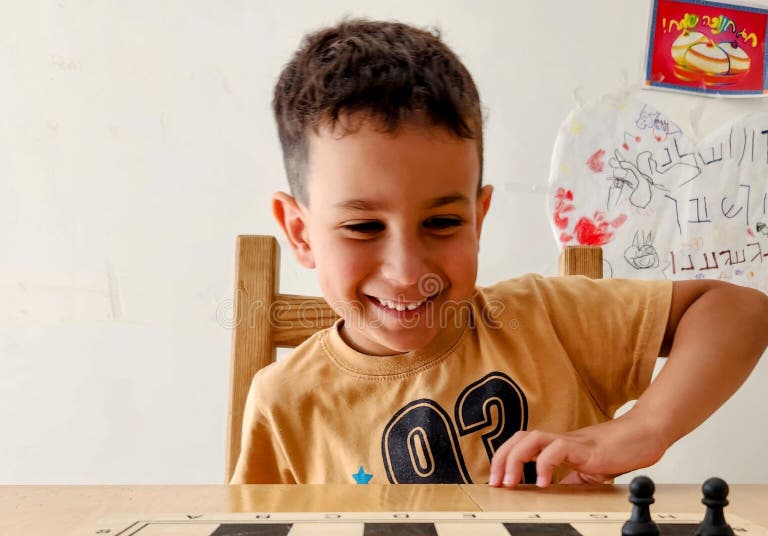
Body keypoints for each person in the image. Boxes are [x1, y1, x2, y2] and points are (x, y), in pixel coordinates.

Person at [231, 19, 768, 486]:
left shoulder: (549, 321)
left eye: (442, 222)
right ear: (300, 233)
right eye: (364, 225)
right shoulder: (282, 402)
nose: (406, 271)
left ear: (478, 219)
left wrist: (642, 429)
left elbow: (741, 312)